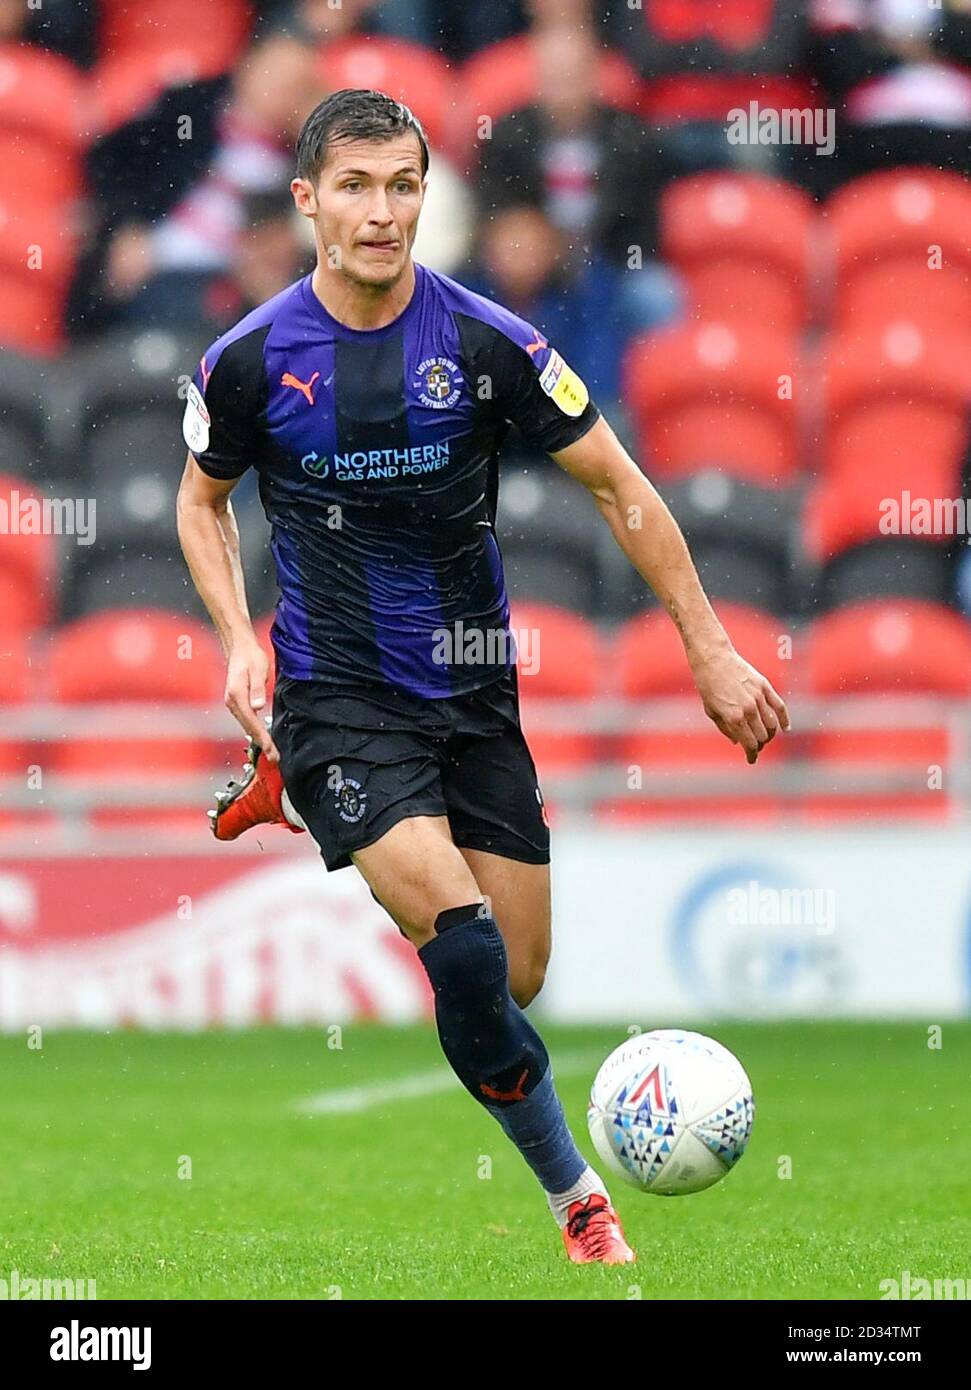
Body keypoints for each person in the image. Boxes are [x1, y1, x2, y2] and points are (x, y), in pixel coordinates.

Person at [176, 89, 789, 1265]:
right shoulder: (249, 360)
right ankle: (577, 1201)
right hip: (334, 696)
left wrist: (708, 648)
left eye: (402, 186)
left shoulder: (485, 344)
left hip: (470, 694)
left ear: (424, 196)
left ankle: (293, 792)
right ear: (306, 199)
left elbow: (620, 485)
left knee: (514, 973)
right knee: (458, 944)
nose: (380, 211)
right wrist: (236, 641)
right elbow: (201, 505)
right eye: (353, 187)